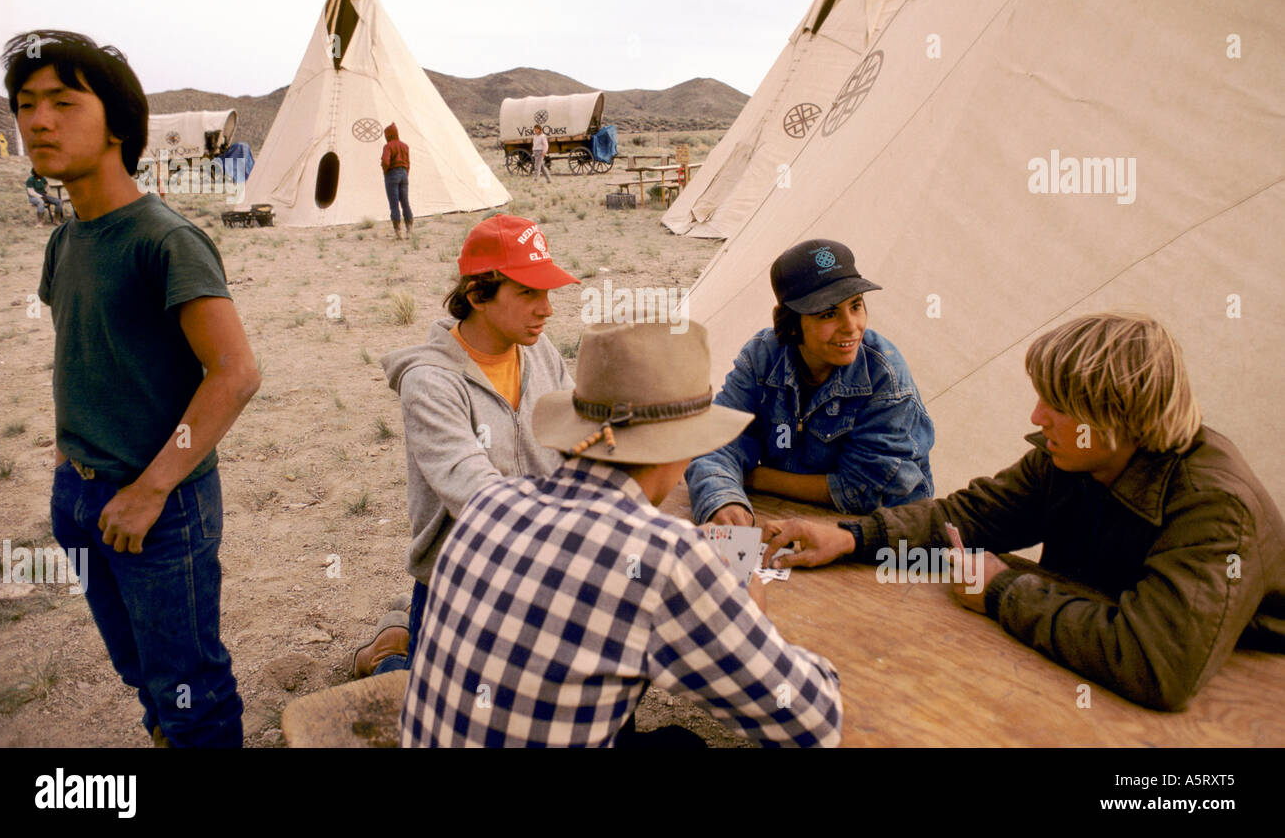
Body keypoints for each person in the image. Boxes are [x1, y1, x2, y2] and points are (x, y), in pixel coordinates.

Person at [762, 313, 1285, 712]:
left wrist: (1000, 591)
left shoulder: (1218, 507)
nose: (1037, 416)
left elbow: (1156, 663)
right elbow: (970, 515)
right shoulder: (1075, 457)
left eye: (1055, 404)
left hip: (1235, 701)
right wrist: (853, 538)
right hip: (1087, 666)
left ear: (1116, 414)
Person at [400, 320, 844, 747]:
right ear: (684, 446)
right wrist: (752, 617)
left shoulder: (488, 506)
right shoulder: (666, 560)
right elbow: (813, 720)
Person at [3, 30, 261, 746]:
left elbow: (235, 372)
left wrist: (150, 488)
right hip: (83, 499)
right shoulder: (67, 239)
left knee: (190, 692)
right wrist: (66, 467)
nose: (37, 121)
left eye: (62, 100)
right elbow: (83, 355)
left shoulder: (164, 238)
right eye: (26, 104)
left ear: (117, 122)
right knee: (143, 677)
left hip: (162, 506)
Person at [358, 214, 579, 677]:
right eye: (528, 293)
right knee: (434, 716)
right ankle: (389, 656)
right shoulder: (430, 383)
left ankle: (400, 634)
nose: (547, 309)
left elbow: (576, 430)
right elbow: (478, 495)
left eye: (547, 292)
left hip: (542, 570)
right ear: (478, 295)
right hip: (465, 587)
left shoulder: (538, 350)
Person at [686, 239, 934, 528]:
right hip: (781, 517)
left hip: (879, 538)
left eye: (856, 306)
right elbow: (717, 442)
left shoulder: (883, 374)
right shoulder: (762, 357)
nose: (851, 325)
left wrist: (758, 477)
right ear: (792, 324)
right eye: (828, 314)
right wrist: (724, 499)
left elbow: (865, 490)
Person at [380, 121, 412, 239]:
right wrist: (405, 174)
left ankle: (398, 231)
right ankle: (409, 229)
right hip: (404, 174)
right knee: (405, 202)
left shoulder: (388, 146)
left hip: (392, 174)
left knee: (394, 204)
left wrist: (386, 171)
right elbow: (408, 163)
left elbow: (385, 161)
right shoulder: (405, 146)